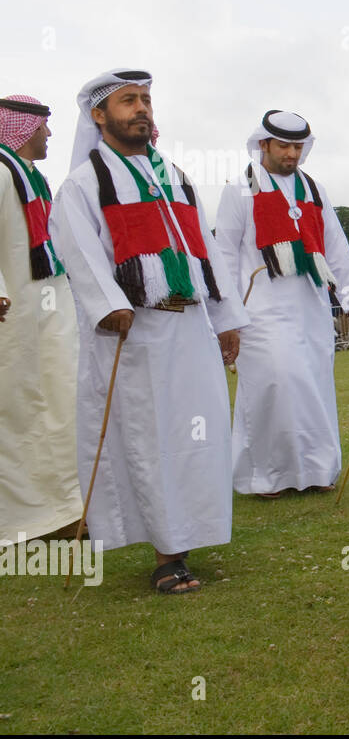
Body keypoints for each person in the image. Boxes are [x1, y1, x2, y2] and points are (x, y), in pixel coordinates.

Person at [48, 69, 249, 593]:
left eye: (146, 100)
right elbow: (79, 253)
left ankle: (189, 533)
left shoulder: (174, 177)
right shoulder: (82, 184)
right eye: (128, 101)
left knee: (196, 435)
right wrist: (110, 306)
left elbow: (203, 249)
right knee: (148, 439)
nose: (141, 109)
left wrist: (225, 319)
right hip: (132, 335)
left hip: (189, 331)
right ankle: (167, 555)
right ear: (99, 116)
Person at [212, 111, 349, 498]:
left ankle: (316, 470)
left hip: (310, 304)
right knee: (274, 383)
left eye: (298, 146)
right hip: (259, 307)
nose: (292, 154)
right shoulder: (238, 190)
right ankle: (267, 476)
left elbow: (336, 248)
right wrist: (226, 315)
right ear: (263, 144)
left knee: (313, 385)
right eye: (284, 146)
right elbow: (226, 255)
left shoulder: (314, 190)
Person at [0, 95, 81, 542]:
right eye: (43, 127)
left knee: (58, 405)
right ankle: (25, 521)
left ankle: (62, 512)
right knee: (21, 412)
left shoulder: (33, 177)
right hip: (14, 319)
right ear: (22, 127)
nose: (49, 134)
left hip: (50, 315)